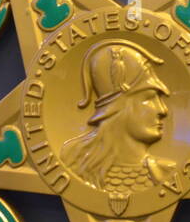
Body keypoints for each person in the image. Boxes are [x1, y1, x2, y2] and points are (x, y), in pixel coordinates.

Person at [61, 40, 178, 203]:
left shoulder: (167, 172)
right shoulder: (72, 165)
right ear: (117, 105)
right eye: (149, 98)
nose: (162, 110)